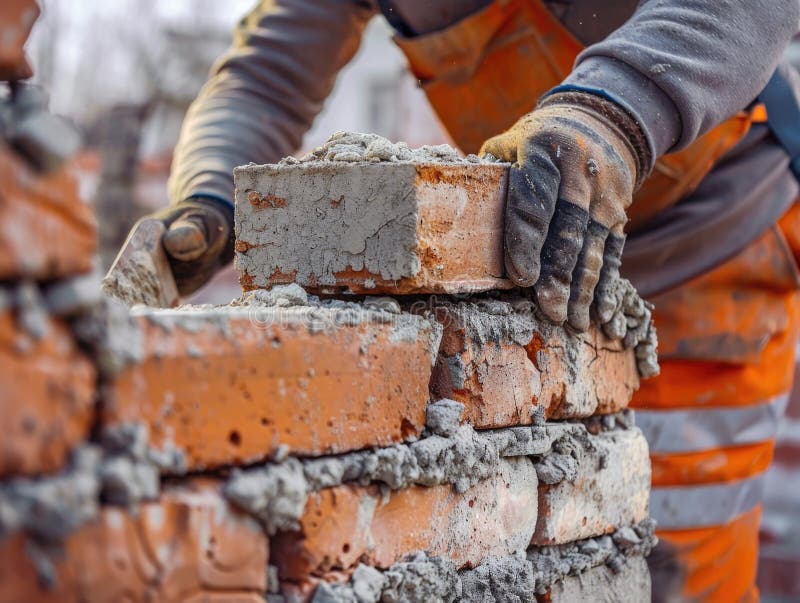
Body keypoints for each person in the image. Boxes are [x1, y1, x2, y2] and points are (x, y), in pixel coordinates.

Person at [131, 1, 800, 600]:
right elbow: (266, 76)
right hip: (532, 265)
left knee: (668, 562)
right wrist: (212, 190)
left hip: (711, 249)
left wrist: (615, 112)